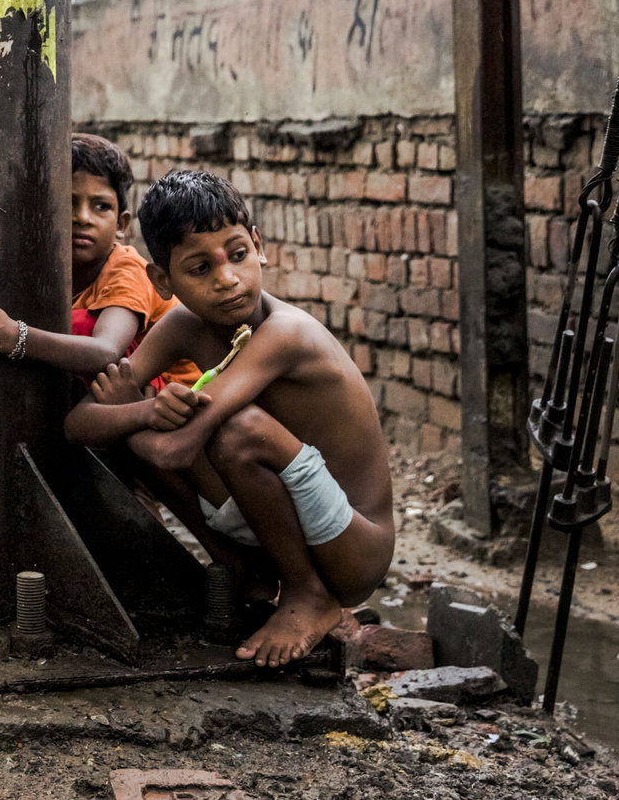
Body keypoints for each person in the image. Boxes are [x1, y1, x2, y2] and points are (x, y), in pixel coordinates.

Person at [65, 170, 395, 669]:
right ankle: (243, 568)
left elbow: (177, 447)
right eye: (199, 268)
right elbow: (77, 425)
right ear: (163, 281)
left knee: (237, 430)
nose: (226, 279)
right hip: (290, 520)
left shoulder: (286, 333)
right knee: (148, 415)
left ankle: (308, 595)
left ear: (258, 246)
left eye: (236, 254)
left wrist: (134, 417)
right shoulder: (182, 326)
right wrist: (140, 411)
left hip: (353, 549)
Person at [0, 133, 179, 377]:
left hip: (167, 397)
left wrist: (9, 336)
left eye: (101, 207)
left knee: (77, 327)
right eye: (68, 203)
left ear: (121, 225)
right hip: (116, 394)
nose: (83, 218)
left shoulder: (126, 269)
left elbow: (106, 351)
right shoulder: (44, 267)